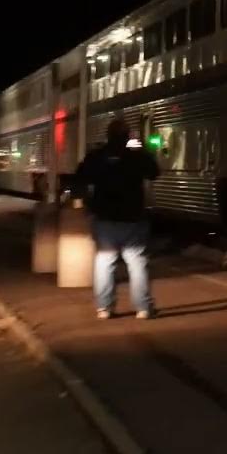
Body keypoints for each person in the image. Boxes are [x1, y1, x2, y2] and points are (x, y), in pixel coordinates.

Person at [75, 119, 160, 319]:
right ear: (127, 136)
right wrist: (143, 150)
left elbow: (80, 178)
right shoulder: (137, 157)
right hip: (133, 217)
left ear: (108, 135)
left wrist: (88, 204)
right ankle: (143, 308)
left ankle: (104, 308)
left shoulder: (96, 156)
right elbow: (154, 173)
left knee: (105, 261)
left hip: (104, 217)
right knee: (137, 262)